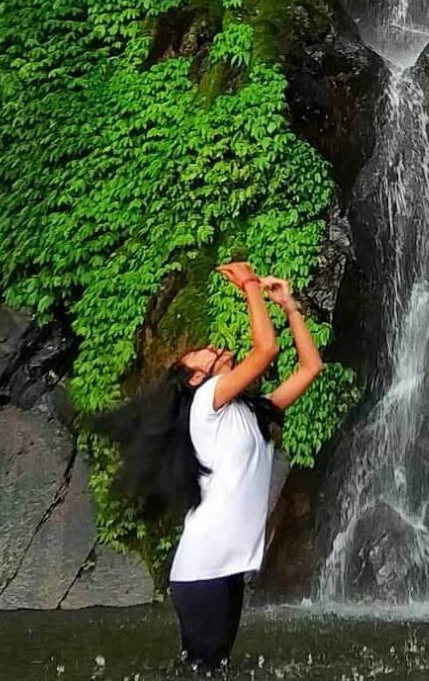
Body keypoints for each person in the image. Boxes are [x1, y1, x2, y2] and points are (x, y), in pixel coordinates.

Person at [92, 262, 323, 671]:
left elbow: (310, 368)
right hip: (203, 567)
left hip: (226, 567)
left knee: (209, 667)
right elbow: (266, 350)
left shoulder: (252, 412)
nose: (216, 348)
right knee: (205, 667)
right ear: (196, 378)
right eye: (207, 353)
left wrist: (290, 307)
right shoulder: (205, 405)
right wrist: (250, 285)